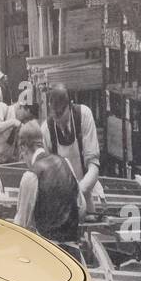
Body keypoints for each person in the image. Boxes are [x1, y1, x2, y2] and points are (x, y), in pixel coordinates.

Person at [13, 121, 80, 246]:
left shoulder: (31, 175)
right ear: (41, 143)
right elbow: (82, 208)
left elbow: (21, 226)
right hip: (73, 252)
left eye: (22, 155)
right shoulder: (66, 163)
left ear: (23, 148)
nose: (24, 160)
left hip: (48, 252)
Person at [42, 84, 102, 214]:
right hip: (61, 198)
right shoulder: (46, 130)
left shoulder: (84, 115)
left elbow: (94, 167)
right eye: (54, 115)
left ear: (69, 106)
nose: (57, 120)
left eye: (60, 114)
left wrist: (79, 192)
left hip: (88, 190)